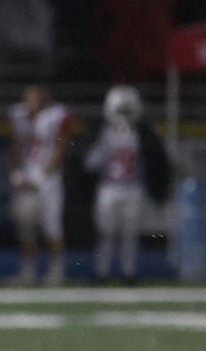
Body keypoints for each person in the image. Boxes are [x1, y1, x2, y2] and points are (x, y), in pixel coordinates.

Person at [9, 83, 72, 286]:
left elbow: (61, 147)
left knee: (52, 225)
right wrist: (17, 171)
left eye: (34, 98)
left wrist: (42, 174)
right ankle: (28, 271)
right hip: (27, 175)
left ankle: (57, 270)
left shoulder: (56, 116)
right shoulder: (19, 116)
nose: (30, 103)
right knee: (25, 226)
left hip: (48, 177)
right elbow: (17, 145)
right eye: (28, 99)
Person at [87, 85, 147, 285]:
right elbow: (91, 162)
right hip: (109, 187)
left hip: (133, 187)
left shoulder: (143, 133)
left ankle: (129, 272)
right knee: (106, 233)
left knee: (130, 234)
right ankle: (102, 272)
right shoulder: (103, 132)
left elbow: (152, 160)